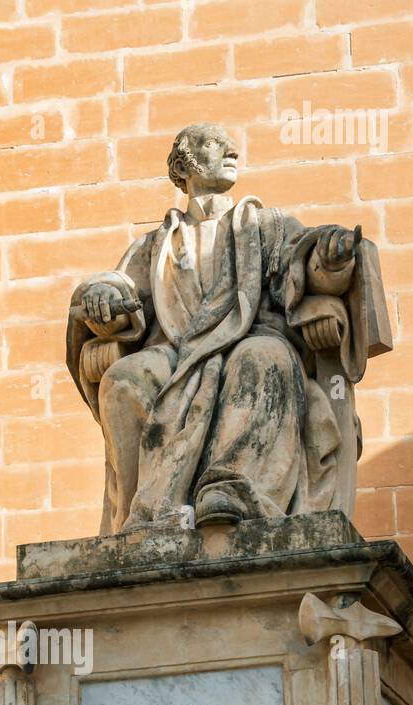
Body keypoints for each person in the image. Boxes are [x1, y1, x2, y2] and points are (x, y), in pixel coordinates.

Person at [66, 123, 390, 535]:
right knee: (123, 378)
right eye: (215, 145)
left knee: (262, 358)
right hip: (179, 354)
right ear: (185, 164)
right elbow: (125, 288)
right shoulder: (158, 243)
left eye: (231, 145)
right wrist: (102, 296)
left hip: (252, 340)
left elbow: (304, 264)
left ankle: (235, 491)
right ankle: (145, 514)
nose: (232, 149)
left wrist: (330, 252)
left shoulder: (265, 225)